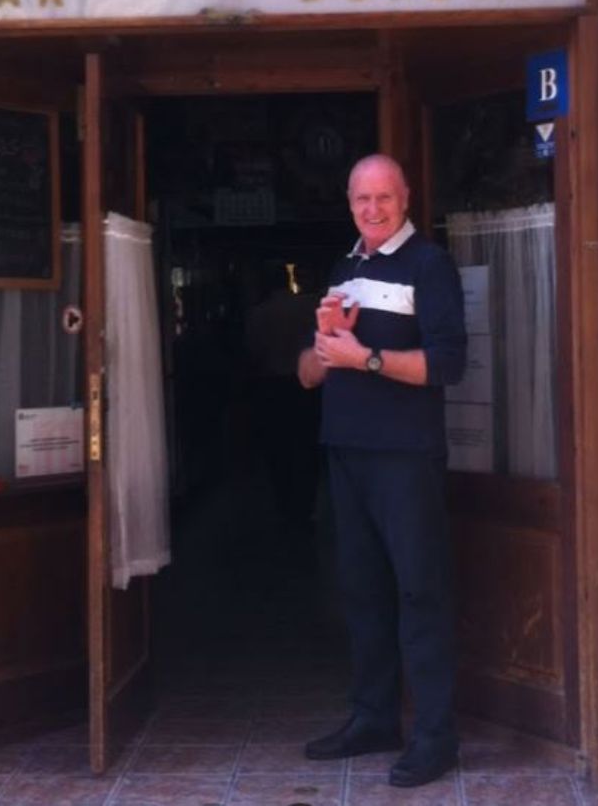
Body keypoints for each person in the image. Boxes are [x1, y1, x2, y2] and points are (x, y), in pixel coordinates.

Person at [296, 154, 467, 788]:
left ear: (406, 198)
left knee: (420, 593)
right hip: (347, 451)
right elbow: (310, 373)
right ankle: (373, 719)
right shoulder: (345, 268)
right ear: (349, 203)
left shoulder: (430, 264)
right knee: (362, 591)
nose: (372, 209)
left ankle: (436, 738)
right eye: (361, 199)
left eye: (383, 198)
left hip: (405, 457)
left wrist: (365, 357)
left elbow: (448, 364)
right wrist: (323, 350)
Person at [243, 261, 323, 551]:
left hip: (273, 386)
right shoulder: (309, 307)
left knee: (278, 448)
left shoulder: (259, 314)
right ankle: (306, 506)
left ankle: (285, 505)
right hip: (306, 387)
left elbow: (253, 352)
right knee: (307, 445)